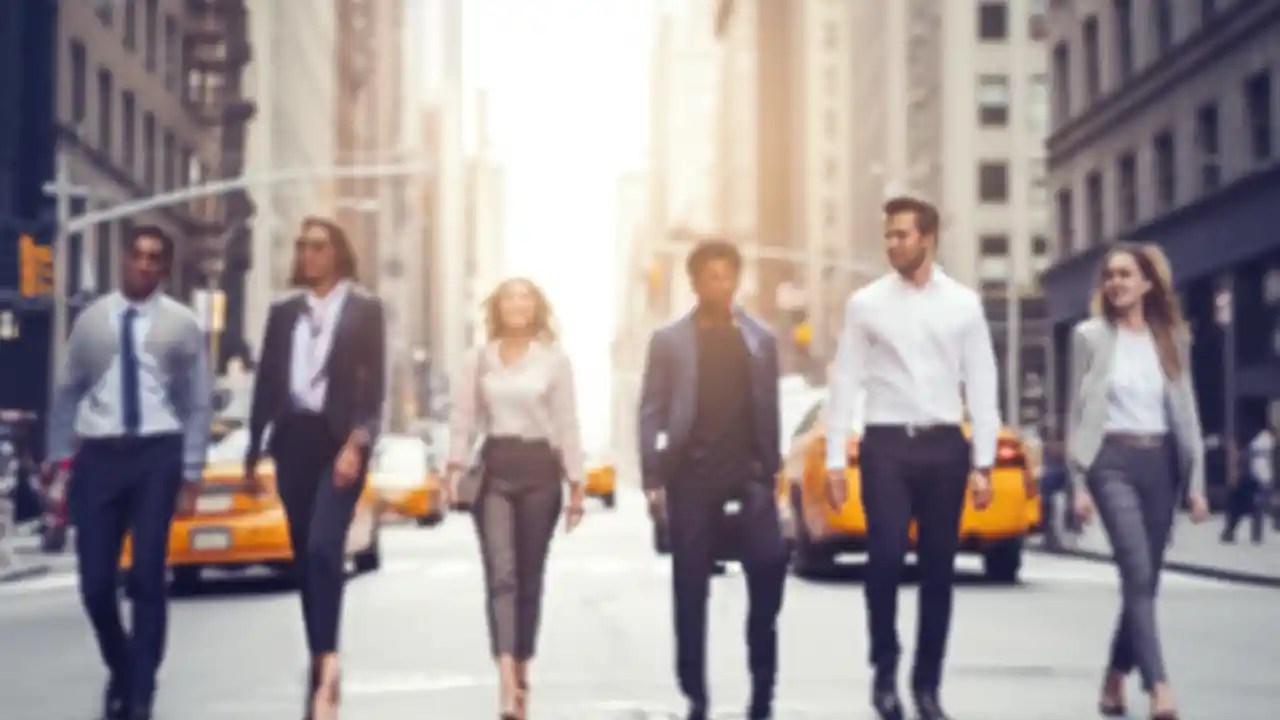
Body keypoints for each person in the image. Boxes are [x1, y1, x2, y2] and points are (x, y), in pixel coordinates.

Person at [825, 196, 999, 720]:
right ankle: (884, 670)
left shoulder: (965, 305)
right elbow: (846, 381)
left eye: (902, 234)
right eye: (888, 235)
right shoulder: (866, 304)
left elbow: (983, 383)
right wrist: (836, 458)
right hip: (885, 446)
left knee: (938, 571)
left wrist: (984, 464)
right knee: (882, 561)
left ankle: (927, 685)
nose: (892, 244)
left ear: (928, 237)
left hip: (946, 446)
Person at [45, 225, 212, 720]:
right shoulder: (93, 321)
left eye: (154, 258)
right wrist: (58, 462)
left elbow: (198, 402)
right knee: (95, 586)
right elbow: (67, 391)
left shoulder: (183, 325)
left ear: (164, 267)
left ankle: (140, 693)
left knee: (146, 577)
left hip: (156, 456)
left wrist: (191, 471)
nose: (144, 264)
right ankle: (122, 664)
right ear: (124, 259)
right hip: (99, 458)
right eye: (137, 255)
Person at [638, 240, 788, 720]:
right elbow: (652, 409)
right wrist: (652, 475)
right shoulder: (669, 341)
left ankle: (762, 691)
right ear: (695, 283)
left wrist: (773, 470)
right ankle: (695, 693)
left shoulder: (761, 339)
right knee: (690, 589)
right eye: (711, 277)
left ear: (737, 280)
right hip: (691, 478)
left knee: (768, 571)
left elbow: (770, 408)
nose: (720, 285)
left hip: (750, 475)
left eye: (728, 276)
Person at [244, 216, 386, 720]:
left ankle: (325, 671)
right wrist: (252, 449)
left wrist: (360, 440)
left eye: (318, 246)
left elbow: (375, 386)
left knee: (327, 547)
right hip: (293, 442)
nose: (308, 254)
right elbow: (266, 383)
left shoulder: (365, 308)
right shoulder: (283, 312)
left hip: (340, 442)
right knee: (307, 554)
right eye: (302, 246)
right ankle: (320, 652)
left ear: (338, 253)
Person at [1067, 242, 1210, 720]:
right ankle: (1159, 685)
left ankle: (1113, 678)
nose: (1116, 283)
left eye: (1126, 275)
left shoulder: (1172, 337)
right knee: (1137, 572)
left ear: (1148, 283)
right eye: (1110, 275)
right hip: (1111, 462)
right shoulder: (1088, 337)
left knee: (1144, 582)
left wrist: (1196, 484)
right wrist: (1079, 485)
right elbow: (1078, 414)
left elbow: (1187, 410)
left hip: (1163, 464)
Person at [444, 277, 587, 720]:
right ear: (498, 308)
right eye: (509, 297)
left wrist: (577, 484)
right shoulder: (478, 359)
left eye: (526, 297)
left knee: (529, 577)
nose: (517, 304)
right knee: (501, 576)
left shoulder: (555, 362)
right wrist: (452, 468)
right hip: (496, 468)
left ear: (536, 308)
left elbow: (566, 423)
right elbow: (463, 418)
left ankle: (523, 664)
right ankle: (507, 680)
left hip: (541, 471)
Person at [1221, 425, 1272, 544]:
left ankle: (1232, 532)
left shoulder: (1257, 442)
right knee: (1252, 506)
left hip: (1255, 478)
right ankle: (1255, 535)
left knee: (1241, 505)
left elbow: (1244, 458)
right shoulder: (1261, 441)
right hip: (1257, 479)